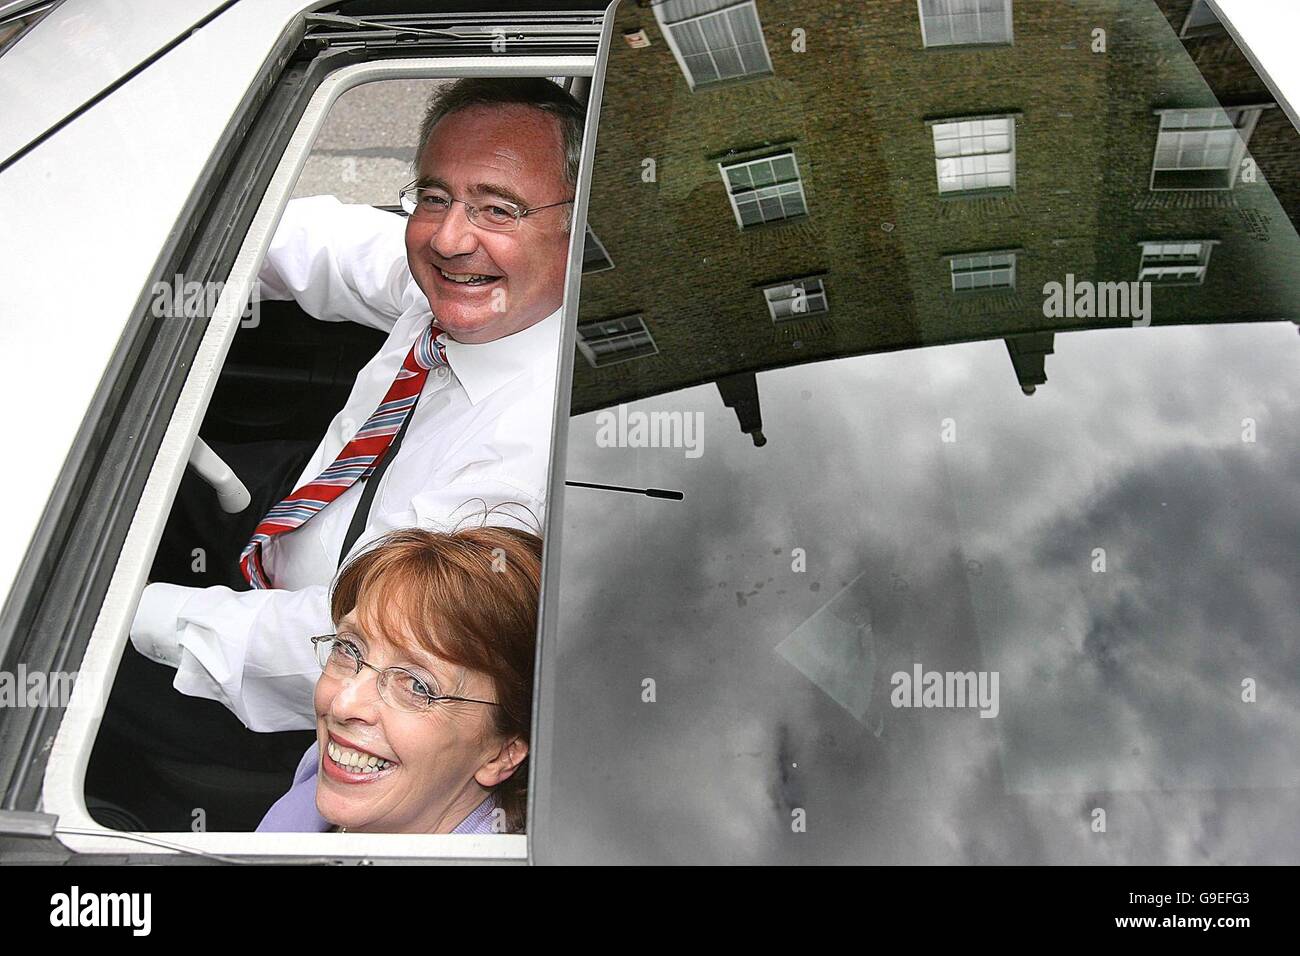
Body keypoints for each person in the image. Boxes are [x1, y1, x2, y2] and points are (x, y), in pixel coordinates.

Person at [128, 77, 582, 732]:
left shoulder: (527, 464)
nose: (448, 239)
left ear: (579, 227)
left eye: (498, 209)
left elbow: (360, 644)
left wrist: (117, 617)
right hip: (295, 515)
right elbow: (314, 243)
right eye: (434, 197)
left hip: (321, 671)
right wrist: (152, 237)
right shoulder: (473, 289)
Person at [258, 526, 540, 834]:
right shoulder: (324, 764)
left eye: (417, 685)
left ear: (503, 755)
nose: (342, 704)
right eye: (348, 649)